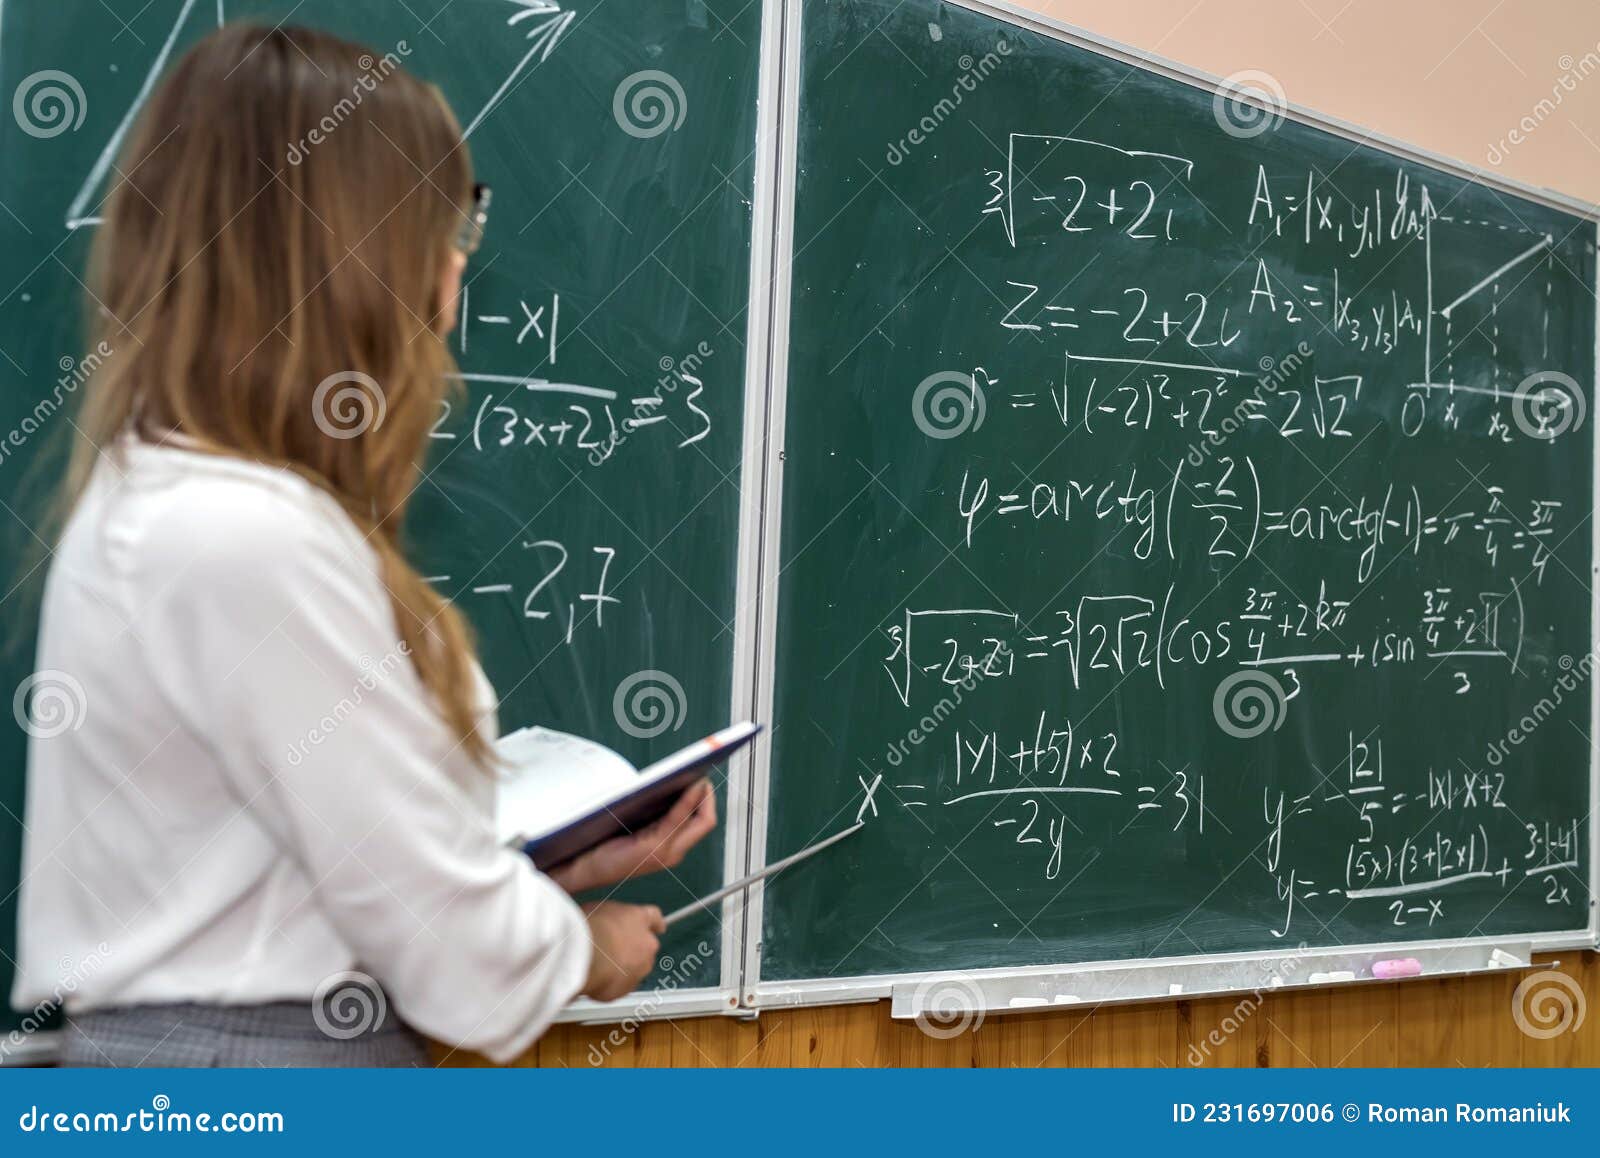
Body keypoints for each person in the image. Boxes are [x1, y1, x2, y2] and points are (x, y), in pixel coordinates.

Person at [10, 22, 715, 1068]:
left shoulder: (166, 502)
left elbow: (306, 882)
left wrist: (536, 880)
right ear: (361, 257)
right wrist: (581, 951)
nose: (454, 277)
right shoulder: (250, 539)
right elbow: (450, 961)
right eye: (449, 229)